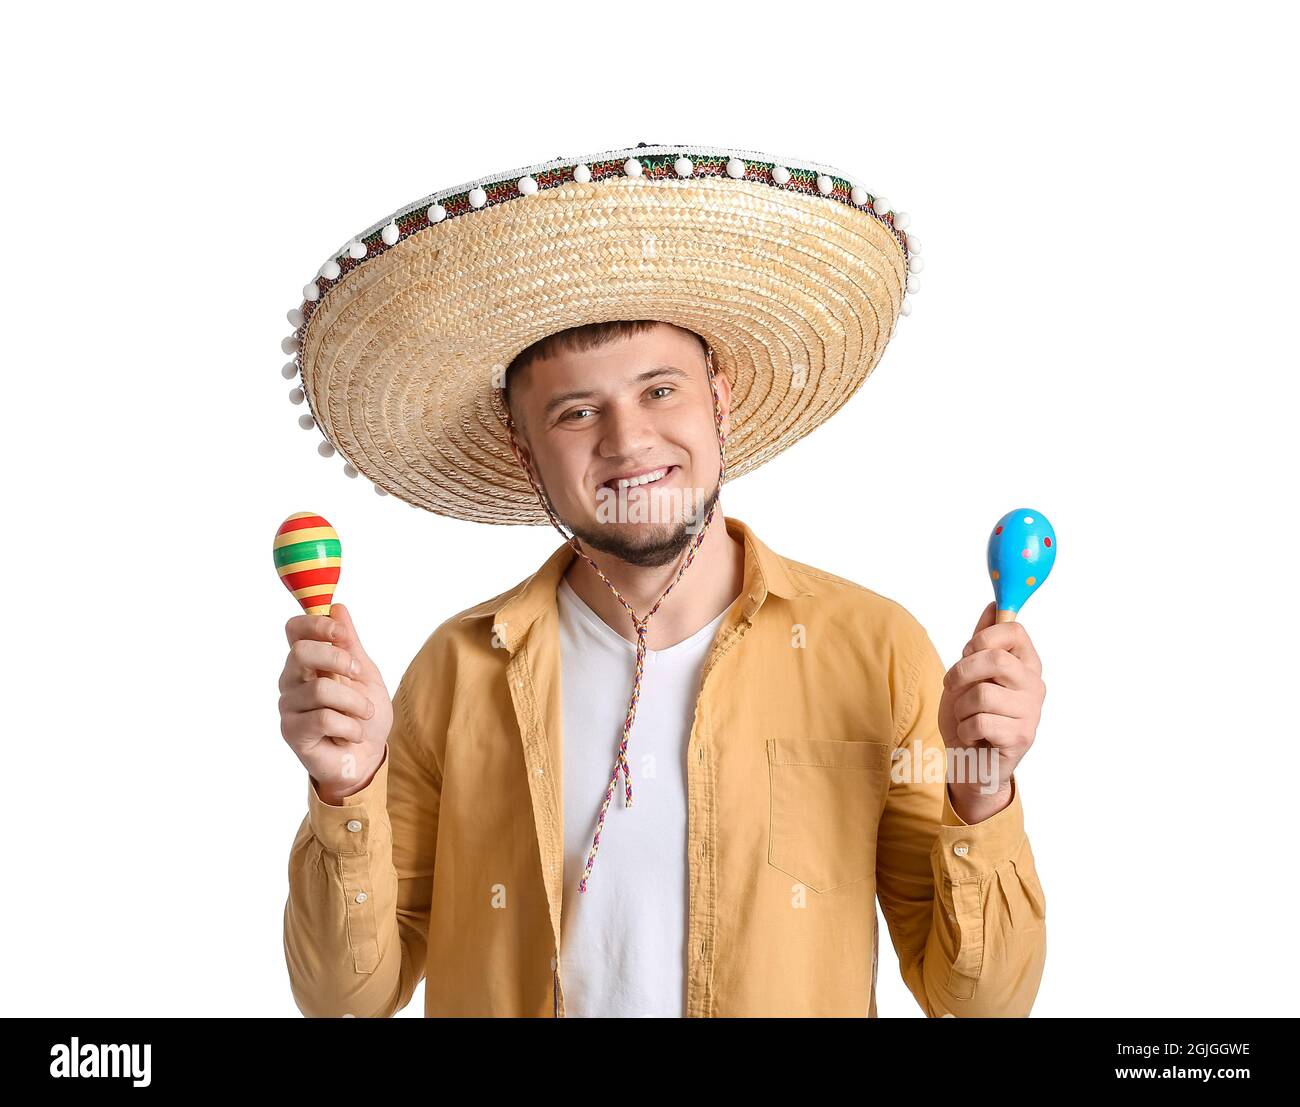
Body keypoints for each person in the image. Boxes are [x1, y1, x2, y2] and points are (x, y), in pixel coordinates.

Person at [275, 145, 1047, 1017]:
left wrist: (982, 784)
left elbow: (979, 1001)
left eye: (659, 389)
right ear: (524, 446)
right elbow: (345, 997)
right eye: (576, 411)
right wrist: (347, 785)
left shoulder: (873, 649)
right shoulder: (456, 672)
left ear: (718, 394)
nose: (628, 440)